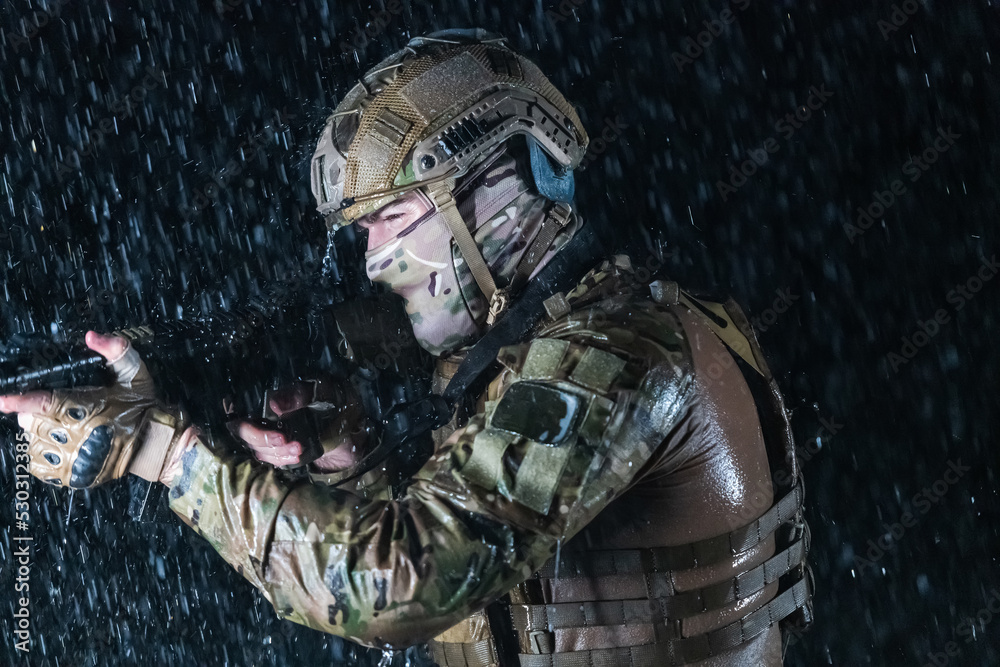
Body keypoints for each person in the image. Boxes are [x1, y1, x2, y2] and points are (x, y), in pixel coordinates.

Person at [0, 29, 812, 666]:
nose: (372, 259)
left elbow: (402, 589)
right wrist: (352, 465)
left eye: (390, 218)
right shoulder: (523, 356)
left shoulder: (625, 350)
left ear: (493, 189)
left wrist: (165, 452)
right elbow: (453, 593)